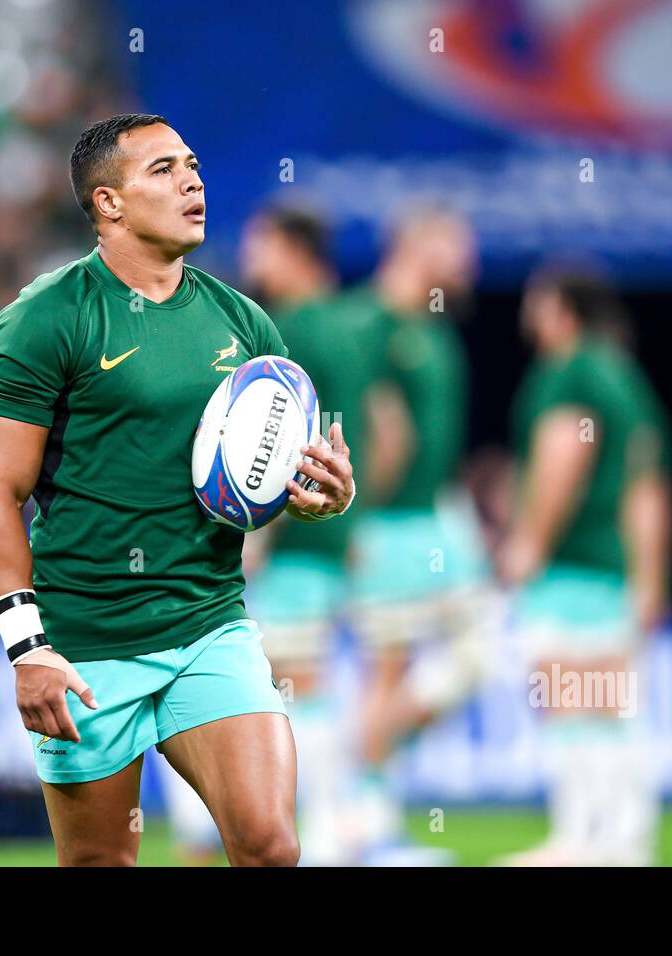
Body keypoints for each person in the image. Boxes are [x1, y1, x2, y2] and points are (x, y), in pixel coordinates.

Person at [0, 114, 356, 867]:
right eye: (164, 169)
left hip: (209, 623)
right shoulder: (44, 319)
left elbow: (269, 475)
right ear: (108, 203)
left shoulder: (245, 323)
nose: (193, 181)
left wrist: (321, 492)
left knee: (271, 845)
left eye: (195, 165)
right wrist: (28, 650)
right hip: (88, 642)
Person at [499, 269, 672, 866]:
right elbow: (648, 487)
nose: (528, 313)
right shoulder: (626, 376)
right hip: (615, 572)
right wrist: (650, 578)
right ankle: (624, 839)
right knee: (610, 704)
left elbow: (563, 454)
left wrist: (529, 542)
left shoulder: (568, 369)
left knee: (566, 697)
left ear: (561, 311)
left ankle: (578, 835)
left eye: (536, 302)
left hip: (568, 569)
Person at [238, 207, 393, 864]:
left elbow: (270, 441)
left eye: (259, 241)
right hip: (336, 532)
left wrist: (255, 538)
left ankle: (329, 829)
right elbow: (385, 430)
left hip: (295, 538)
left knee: (294, 684)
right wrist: (356, 508)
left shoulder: (289, 329)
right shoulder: (351, 325)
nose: (249, 255)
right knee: (310, 678)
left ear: (293, 251)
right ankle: (341, 820)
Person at [347, 211, 498, 863]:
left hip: (438, 517)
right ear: (416, 244)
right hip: (386, 527)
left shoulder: (436, 332)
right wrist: (354, 519)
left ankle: (363, 782)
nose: (470, 264)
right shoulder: (367, 323)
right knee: (390, 665)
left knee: (481, 653)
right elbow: (368, 429)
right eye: (457, 248)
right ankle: (369, 815)